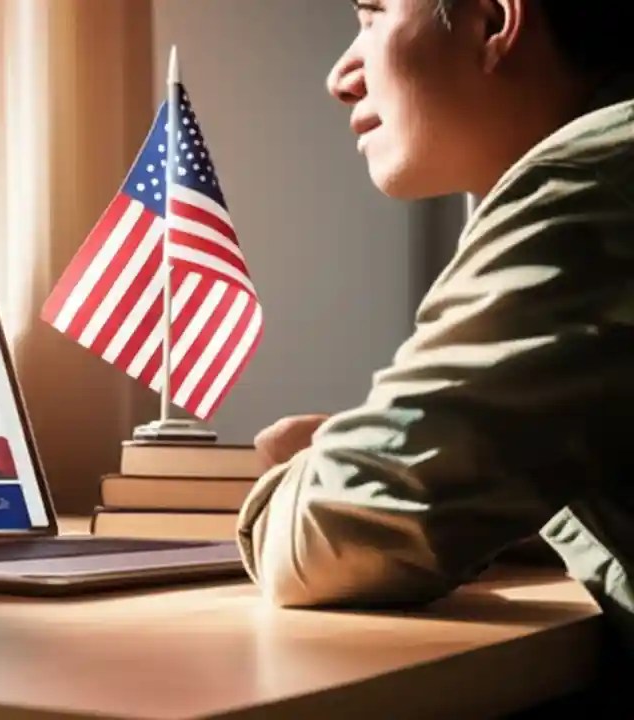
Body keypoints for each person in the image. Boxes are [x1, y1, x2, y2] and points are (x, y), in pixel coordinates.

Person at [236, 0, 634, 684]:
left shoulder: (594, 177)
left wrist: (312, 470)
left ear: (491, 21)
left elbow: (336, 539)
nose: (341, 76)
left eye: (373, 14)